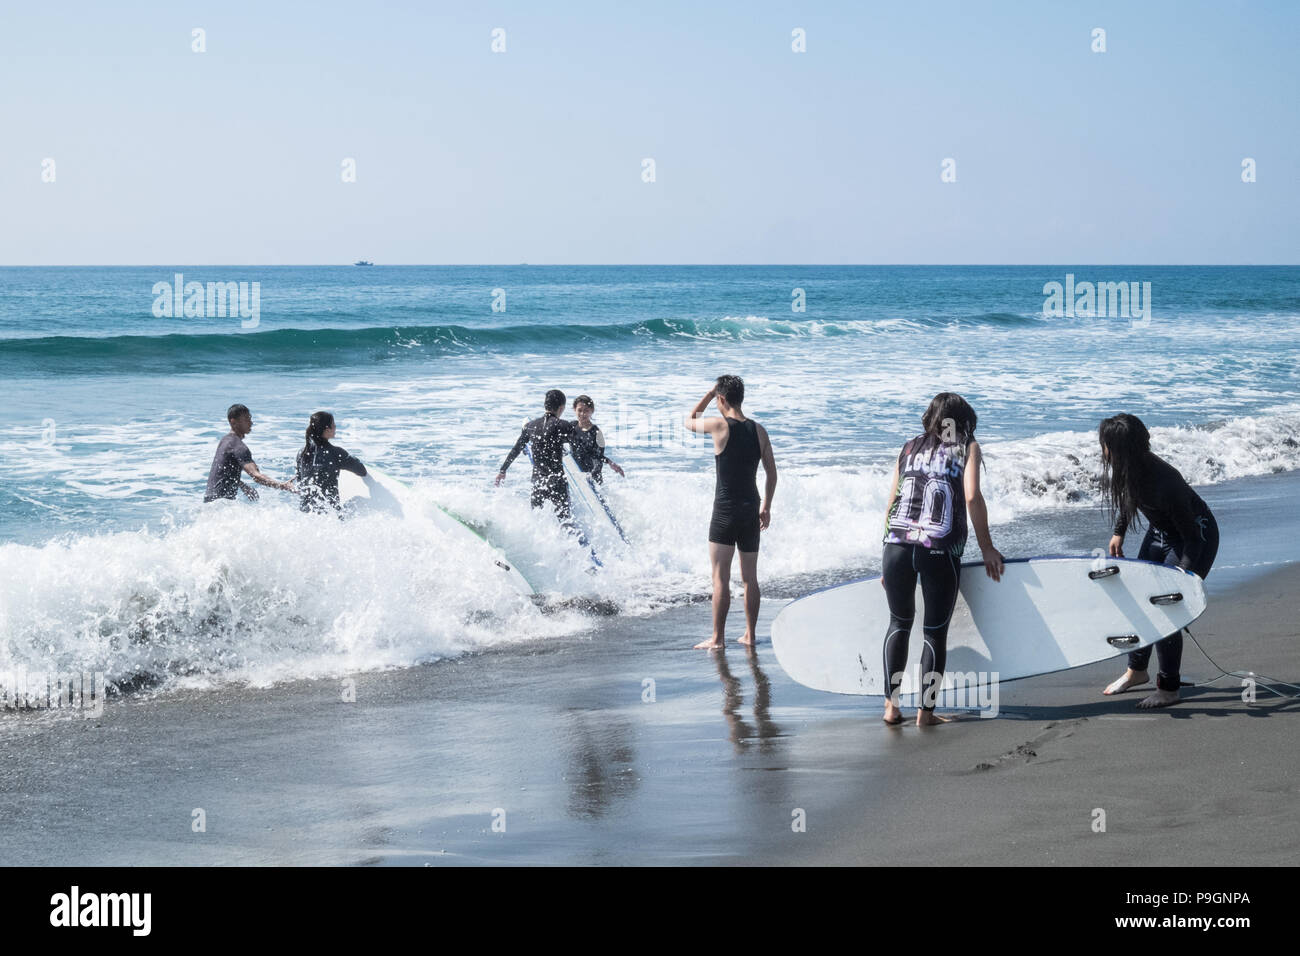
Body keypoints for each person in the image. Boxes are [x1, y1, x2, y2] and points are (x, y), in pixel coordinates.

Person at [880, 393, 1004, 728]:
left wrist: (887, 554)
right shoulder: (966, 448)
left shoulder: (908, 447)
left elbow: (893, 500)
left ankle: (891, 708)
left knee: (898, 625)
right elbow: (972, 496)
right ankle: (926, 714)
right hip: (938, 549)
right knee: (934, 634)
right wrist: (988, 547)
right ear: (962, 420)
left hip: (896, 546)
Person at [1098, 413, 1219, 709]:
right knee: (1141, 599)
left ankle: (1168, 687)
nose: (1102, 450)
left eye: (1105, 444)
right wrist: (1118, 533)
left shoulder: (1167, 482)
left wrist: (1183, 574)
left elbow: (1192, 536)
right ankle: (1137, 671)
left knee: (1166, 610)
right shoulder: (1128, 466)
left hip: (1194, 536)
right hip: (1159, 533)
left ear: (1119, 448)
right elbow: (1128, 498)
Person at [683, 375, 777, 650]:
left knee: (720, 577)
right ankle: (750, 635)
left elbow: (689, 419)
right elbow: (772, 473)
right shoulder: (759, 431)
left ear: (722, 399)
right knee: (750, 578)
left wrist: (710, 393)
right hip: (751, 509)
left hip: (724, 510)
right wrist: (766, 506)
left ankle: (718, 639)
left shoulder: (718, 425)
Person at [496, 389, 581, 520]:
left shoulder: (530, 426)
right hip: (557, 481)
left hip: (538, 482)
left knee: (536, 519)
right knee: (564, 520)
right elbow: (578, 447)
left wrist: (503, 470)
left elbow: (516, 448)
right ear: (562, 407)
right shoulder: (563, 425)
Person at [203, 404, 295, 502]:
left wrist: (243, 486)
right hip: (221, 504)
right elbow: (256, 476)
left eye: (250, 418)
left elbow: (223, 473)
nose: (251, 423)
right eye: (246, 419)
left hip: (210, 501)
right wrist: (282, 486)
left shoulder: (225, 441)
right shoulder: (238, 446)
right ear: (233, 422)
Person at [295, 411, 370, 513]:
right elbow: (361, 470)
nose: (335, 427)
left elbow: (300, 483)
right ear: (327, 430)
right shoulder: (336, 453)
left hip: (305, 514)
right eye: (333, 425)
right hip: (330, 515)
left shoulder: (302, 453)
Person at [570, 395, 625, 483]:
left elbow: (598, 458)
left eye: (586, 410)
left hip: (592, 478)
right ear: (574, 409)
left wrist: (591, 476)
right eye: (579, 410)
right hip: (576, 474)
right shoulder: (571, 426)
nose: (582, 414)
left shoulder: (597, 433)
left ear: (592, 411)